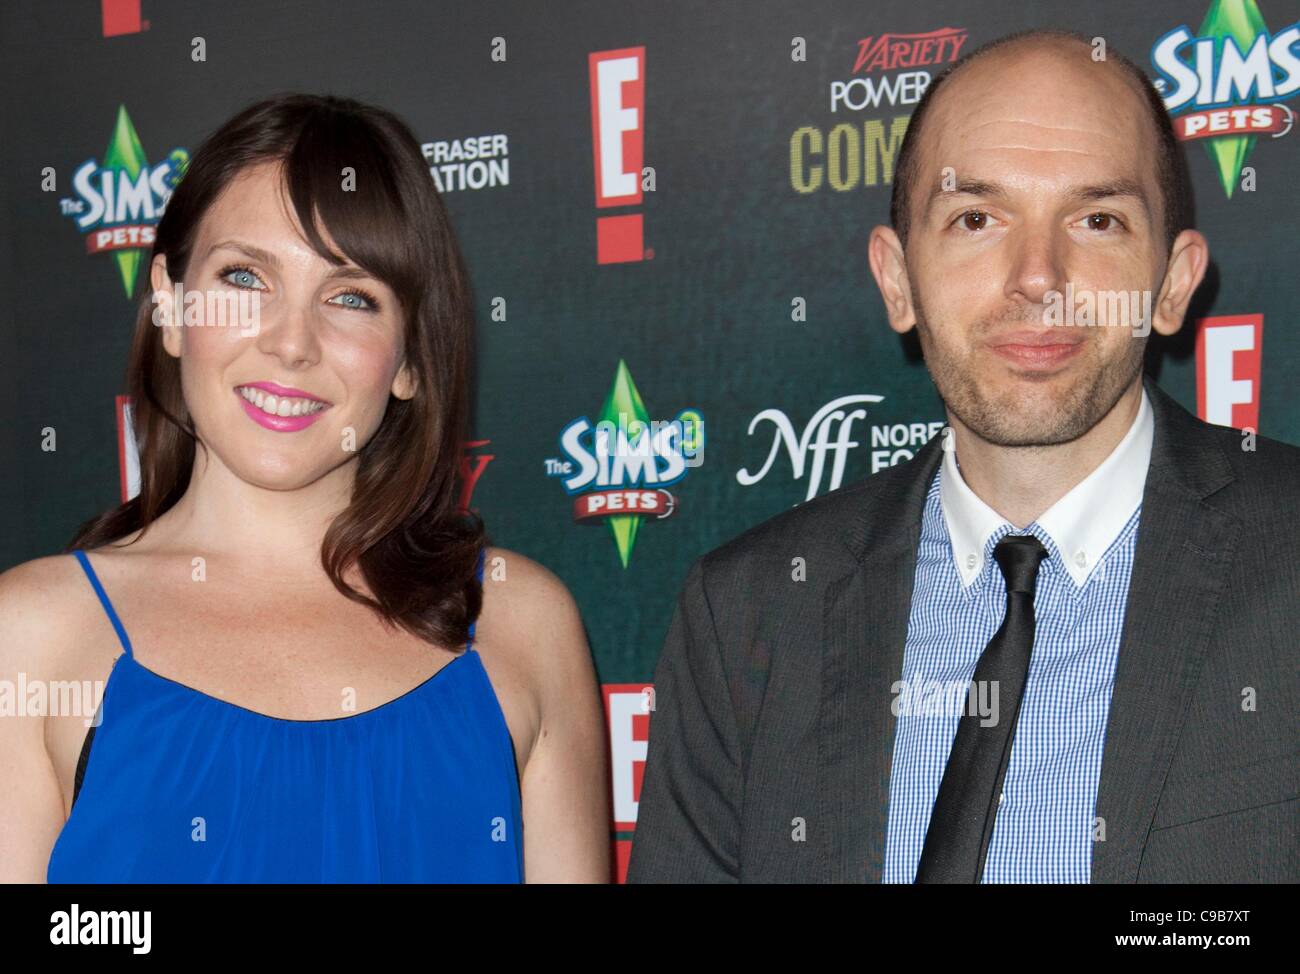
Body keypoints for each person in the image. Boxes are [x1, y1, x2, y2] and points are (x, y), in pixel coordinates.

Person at [627, 29, 1299, 883]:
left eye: (1097, 219)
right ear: (897, 279)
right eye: (976, 219)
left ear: (1170, 284)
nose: (1036, 275)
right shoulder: (748, 618)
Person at [0, 93, 610, 883]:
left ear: (411, 359)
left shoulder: (521, 625)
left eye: (352, 297)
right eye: (246, 276)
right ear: (171, 306)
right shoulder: (33, 638)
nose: (292, 343)